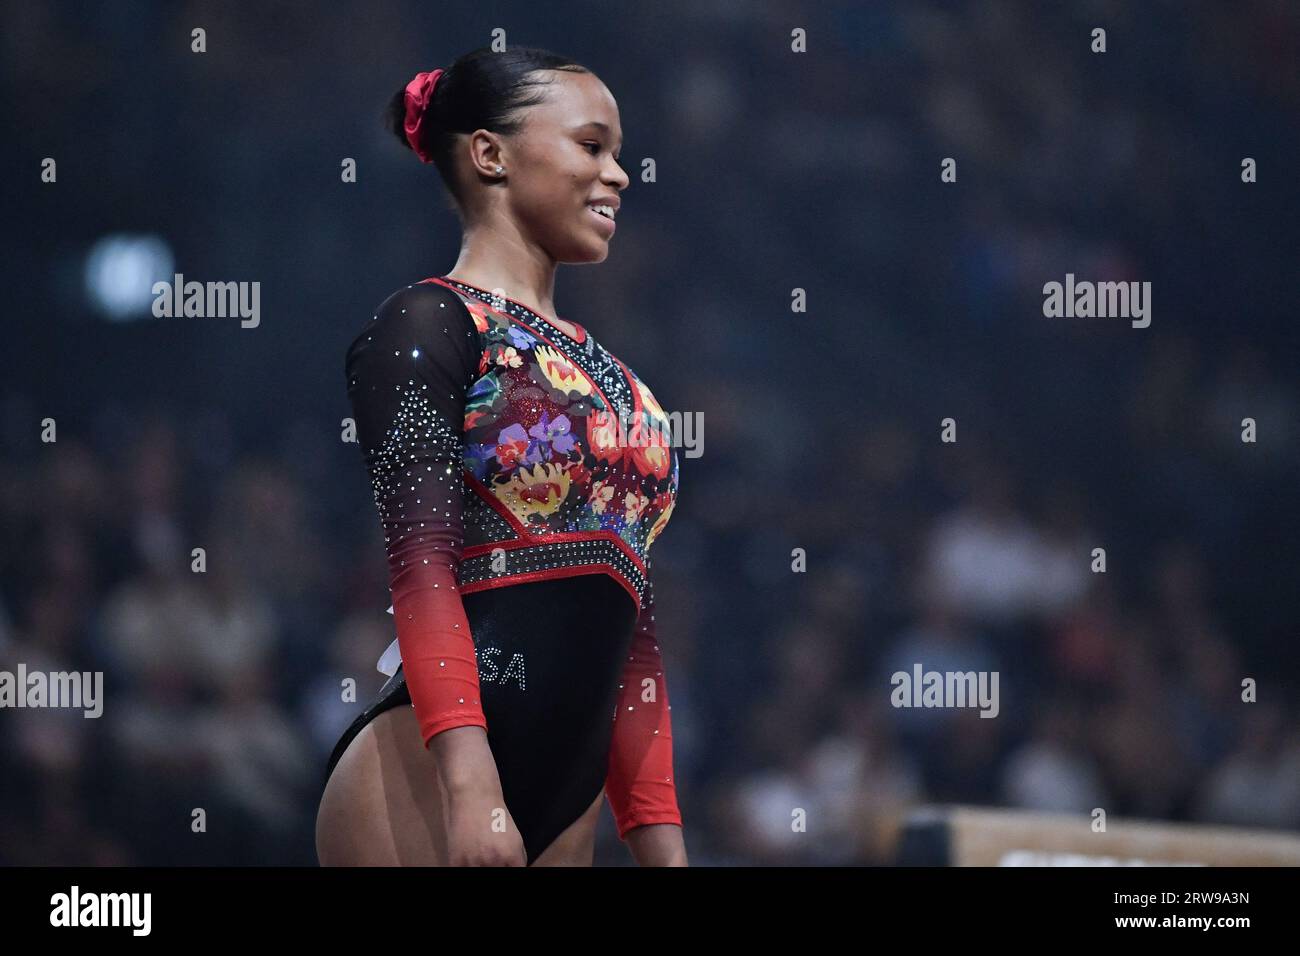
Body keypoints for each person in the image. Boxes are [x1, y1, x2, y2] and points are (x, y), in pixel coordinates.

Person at [315, 46, 687, 867]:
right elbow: (421, 569)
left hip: (567, 803)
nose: (619, 174)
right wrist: (472, 788)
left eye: (618, 153)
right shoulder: (429, 325)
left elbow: (631, 626)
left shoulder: (623, 381)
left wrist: (661, 841)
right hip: (426, 772)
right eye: (592, 147)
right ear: (490, 155)